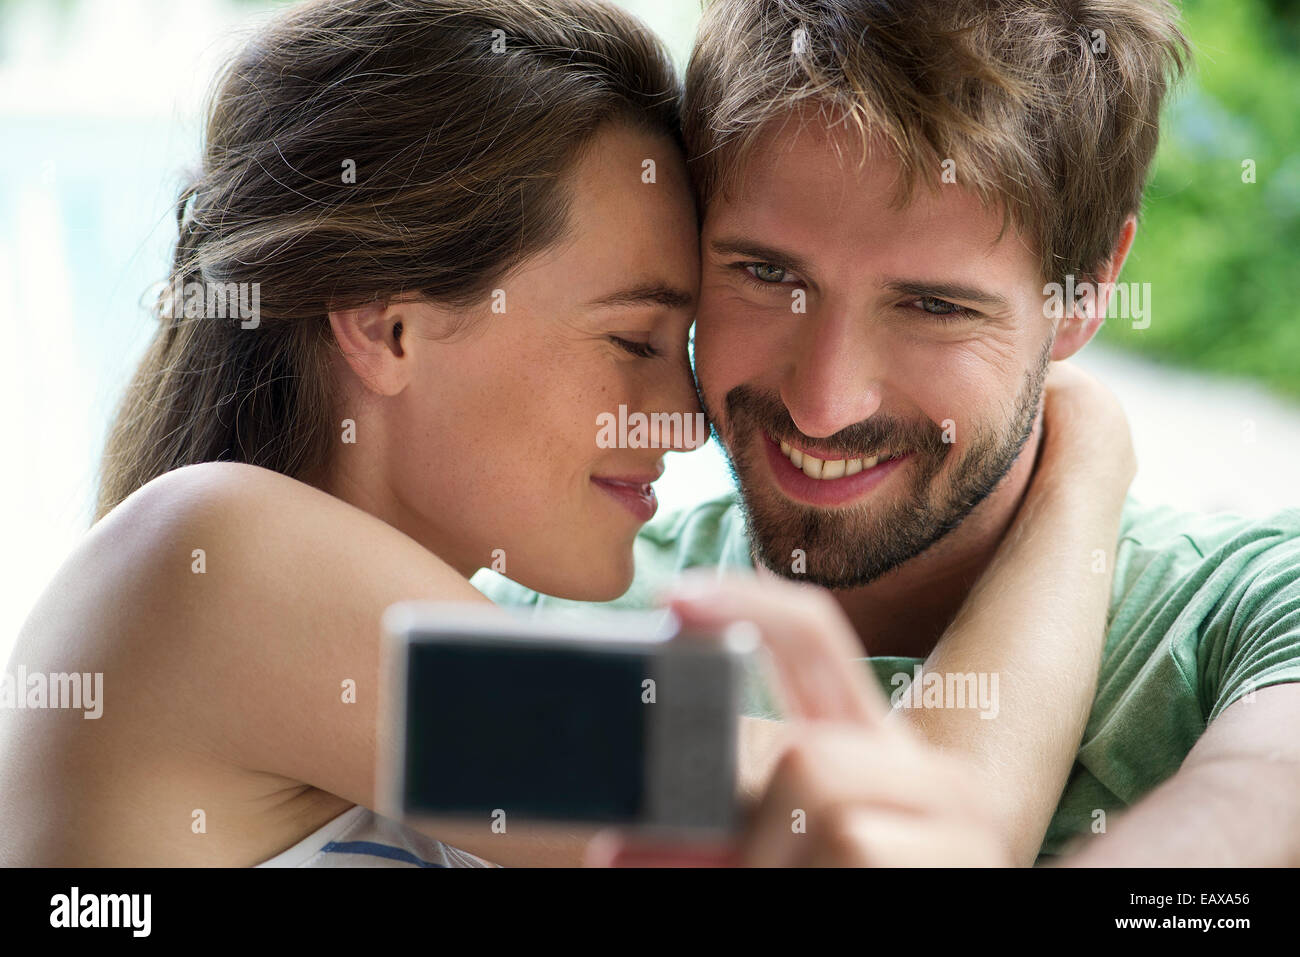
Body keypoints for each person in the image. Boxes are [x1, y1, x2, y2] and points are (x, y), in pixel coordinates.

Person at [1, 0, 1131, 868]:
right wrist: (1085, 457)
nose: (688, 418)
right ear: (388, 325)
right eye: (635, 340)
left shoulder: (362, 638)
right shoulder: (227, 567)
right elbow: (909, 833)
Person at [489, 0, 1300, 867]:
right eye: (766, 273)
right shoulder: (557, 606)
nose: (823, 405)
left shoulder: (1248, 610)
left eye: (934, 307)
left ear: (1091, 291)